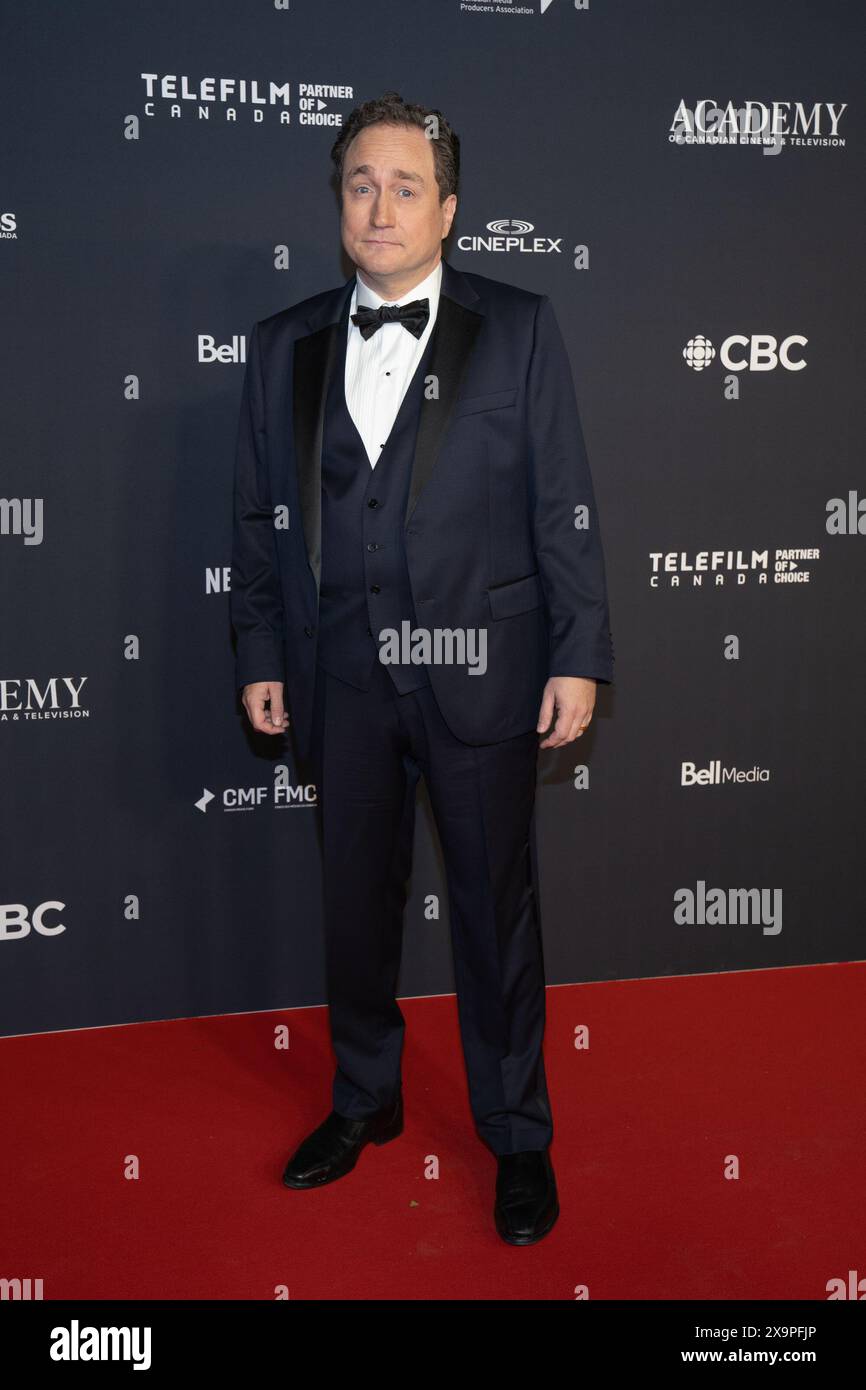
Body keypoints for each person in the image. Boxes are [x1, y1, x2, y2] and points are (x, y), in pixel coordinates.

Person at [230, 91, 614, 1246]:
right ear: (337, 202)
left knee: (496, 914)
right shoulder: (282, 344)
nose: (379, 205)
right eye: (359, 183)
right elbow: (256, 520)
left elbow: (562, 506)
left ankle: (514, 1131)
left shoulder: (520, 326)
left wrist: (576, 654)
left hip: (484, 673)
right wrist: (259, 648)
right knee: (355, 909)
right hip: (339, 675)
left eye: (404, 186)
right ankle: (364, 1098)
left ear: (447, 208)